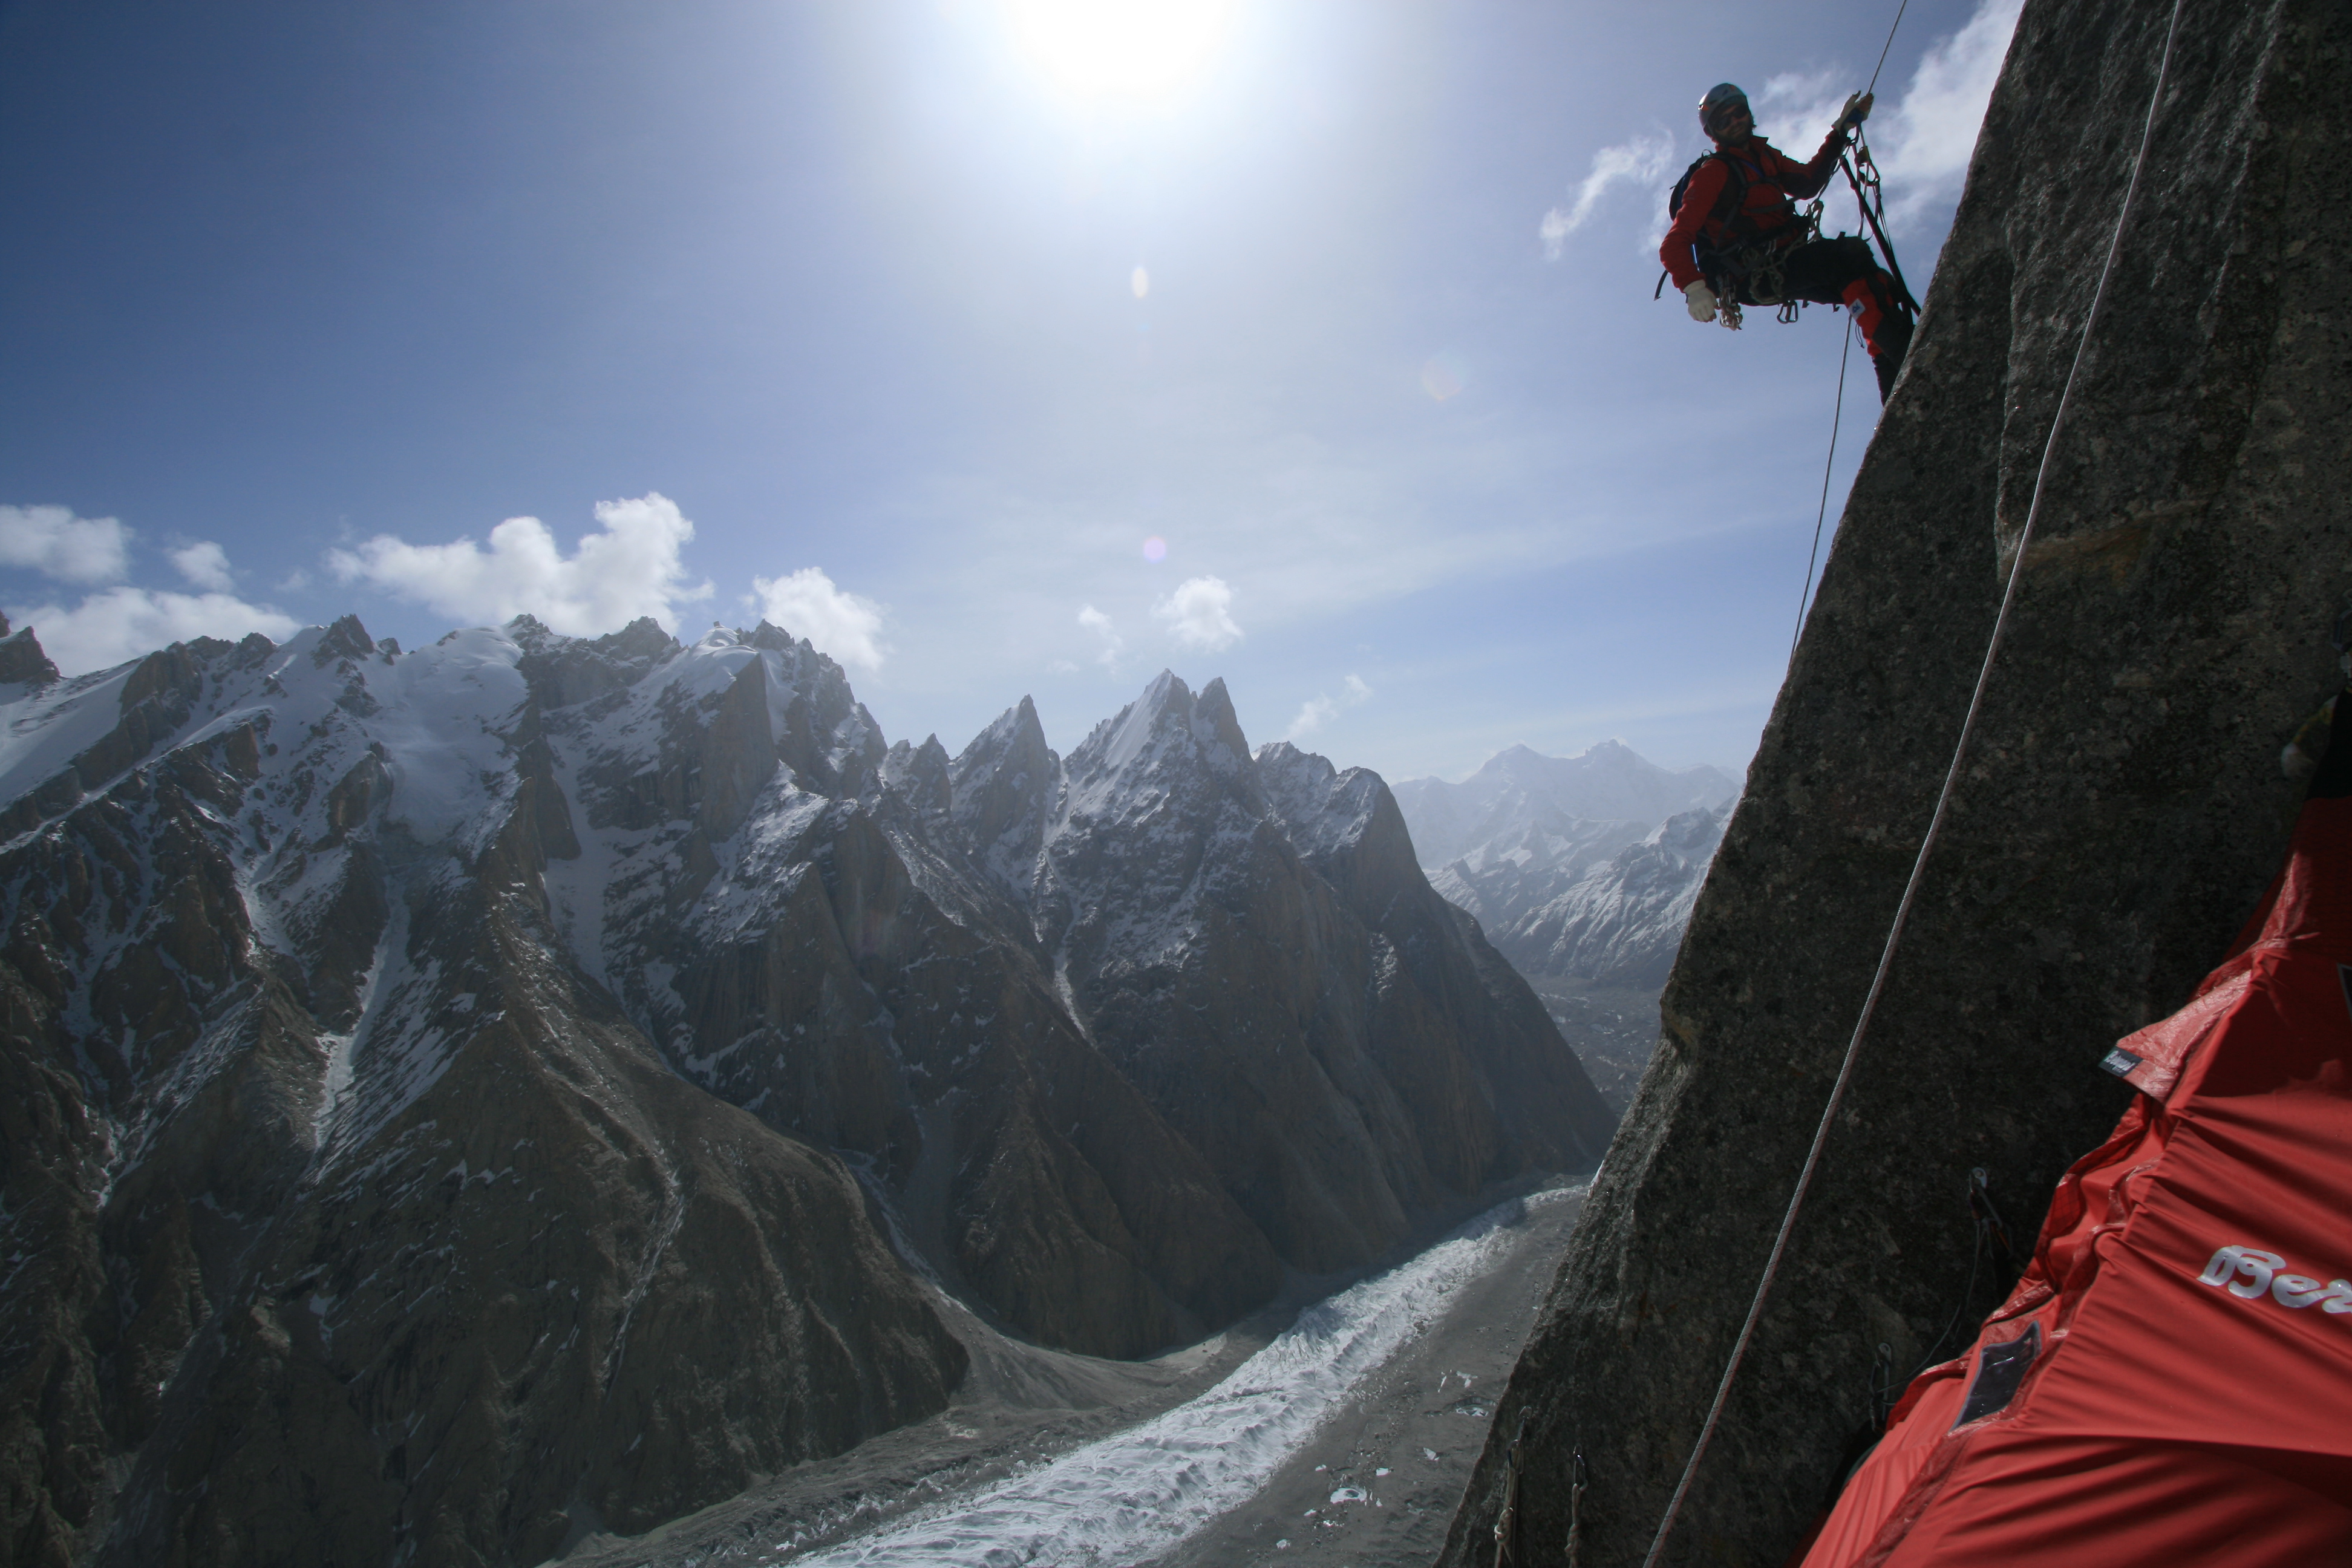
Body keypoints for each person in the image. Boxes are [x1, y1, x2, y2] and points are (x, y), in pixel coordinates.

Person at [1662, 82, 1915, 401]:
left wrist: (1839, 133)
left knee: (1874, 285)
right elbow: (1675, 241)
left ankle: (1898, 389)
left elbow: (1806, 183)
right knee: (1848, 259)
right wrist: (1694, 288)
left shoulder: (1763, 156)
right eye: (1724, 121)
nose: (1735, 122)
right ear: (1714, 134)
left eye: (1738, 113)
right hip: (1751, 274)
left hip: (1780, 262)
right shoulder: (1714, 173)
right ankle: (1912, 366)